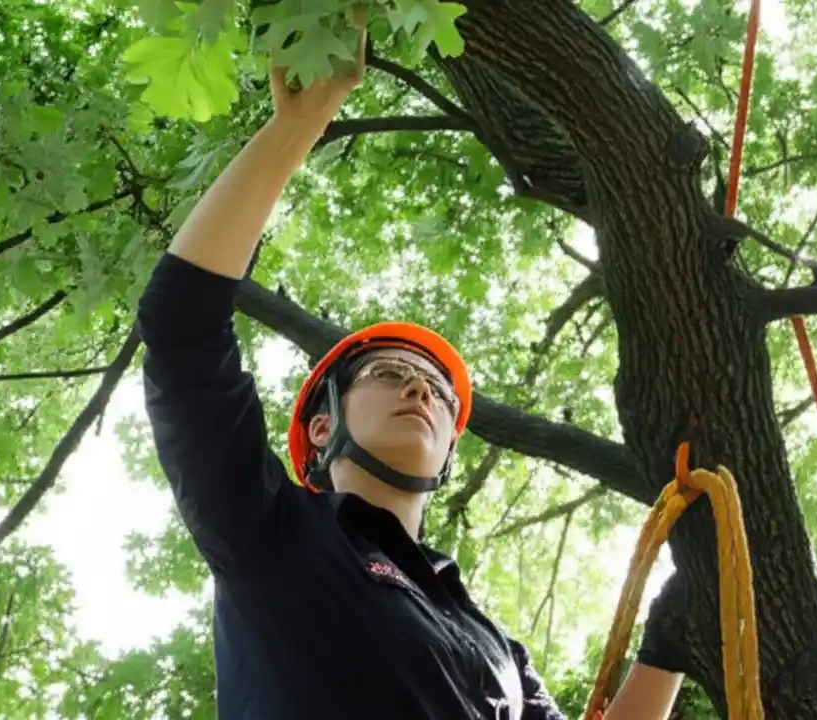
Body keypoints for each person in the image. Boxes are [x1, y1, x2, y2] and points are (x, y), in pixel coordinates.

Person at [136, 36, 686, 719]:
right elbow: (181, 328)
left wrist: (670, 645)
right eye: (390, 373)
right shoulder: (271, 532)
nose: (422, 390)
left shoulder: (495, 645)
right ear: (321, 425)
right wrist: (296, 128)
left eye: (440, 390)